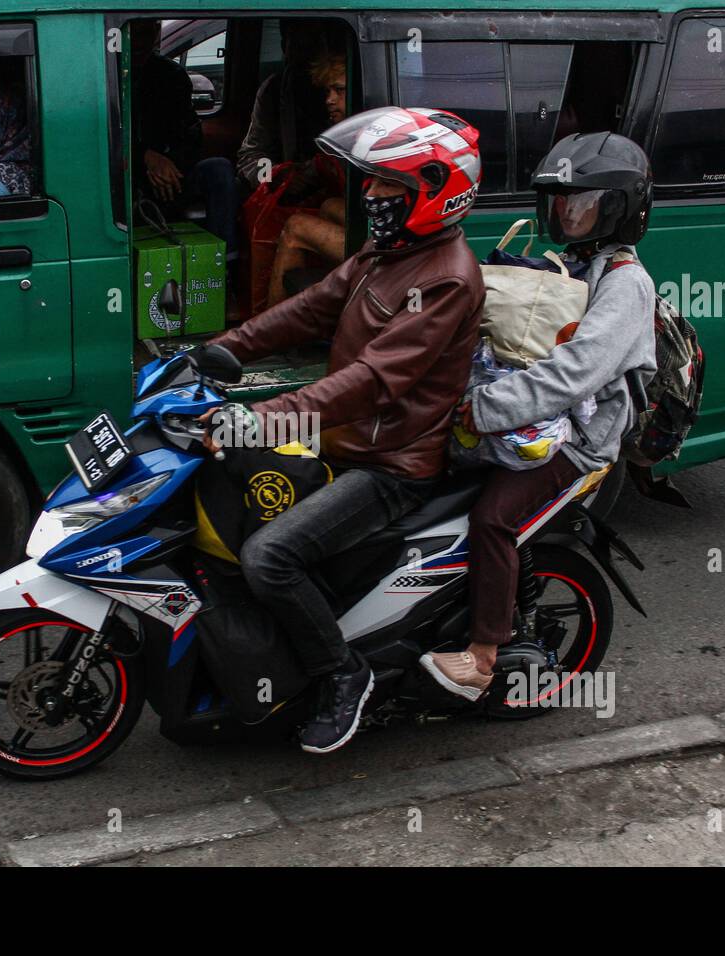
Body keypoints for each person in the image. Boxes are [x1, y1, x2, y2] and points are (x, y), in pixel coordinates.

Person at [202, 107, 485, 754]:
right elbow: (312, 307)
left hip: (389, 467)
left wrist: (261, 419)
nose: (371, 195)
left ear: (434, 192)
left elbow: (372, 381)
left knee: (269, 557)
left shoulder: (445, 278)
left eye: (389, 186)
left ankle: (342, 675)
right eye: (372, 181)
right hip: (342, 442)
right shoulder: (387, 251)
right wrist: (221, 349)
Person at [420, 132, 658, 701]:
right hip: (530, 425)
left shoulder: (626, 284)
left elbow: (571, 375)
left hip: (577, 440)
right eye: (559, 202)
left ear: (619, 209)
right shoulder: (568, 263)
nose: (565, 214)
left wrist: (484, 409)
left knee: (493, 518)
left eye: (580, 203)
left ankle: (482, 656)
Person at [129, 20, 238, 260]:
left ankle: (224, 265)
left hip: (172, 178)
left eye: (146, 31)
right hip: (121, 180)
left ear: (156, 31)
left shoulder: (171, 75)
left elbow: (190, 137)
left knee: (219, 169)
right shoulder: (102, 73)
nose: (138, 41)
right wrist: (145, 157)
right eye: (133, 32)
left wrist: (168, 165)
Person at [265, 53, 348, 306]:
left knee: (296, 228)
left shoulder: (378, 140)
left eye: (339, 90)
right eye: (328, 91)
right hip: (377, 232)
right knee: (328, 205)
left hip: (390, 247)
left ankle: (272, 336)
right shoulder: (348, 138)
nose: (330, 100)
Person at [235, 19, 344, 190]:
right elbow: (252, 156)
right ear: (284, 46)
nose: (330, 99)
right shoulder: (274, 91)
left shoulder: (353, 84)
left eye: (312, 42)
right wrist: (276, 176)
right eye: (298, 44)